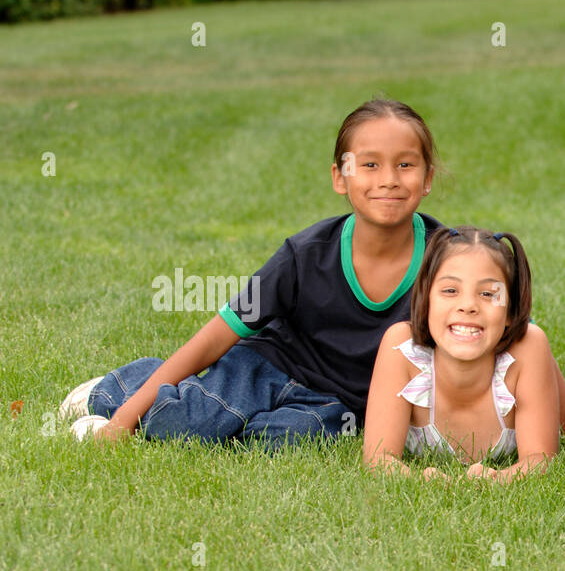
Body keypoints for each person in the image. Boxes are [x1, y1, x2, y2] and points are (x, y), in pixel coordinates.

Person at [60, 99, 442, 449]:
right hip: (264, 367)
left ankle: (205, 408)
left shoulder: (448, 260)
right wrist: (122, 422)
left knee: (285, 442)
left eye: (405, 164)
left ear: (427, 178)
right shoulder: (304, 255)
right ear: (340, 177)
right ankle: (113, 391)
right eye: (369, 164)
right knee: (193, 422)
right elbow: (214, 338)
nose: (389, 178)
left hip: (335, 402)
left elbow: (494, 300)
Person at [363, 226, 562, 482]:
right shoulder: (401, 346)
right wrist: (420, 479)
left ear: (510, 311)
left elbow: (541, 459)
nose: (468, 306)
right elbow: (378, 458)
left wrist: (496, 479)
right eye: (450, 291)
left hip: (543, 381)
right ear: (426, 300)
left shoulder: (528, 346)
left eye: (488, 294)